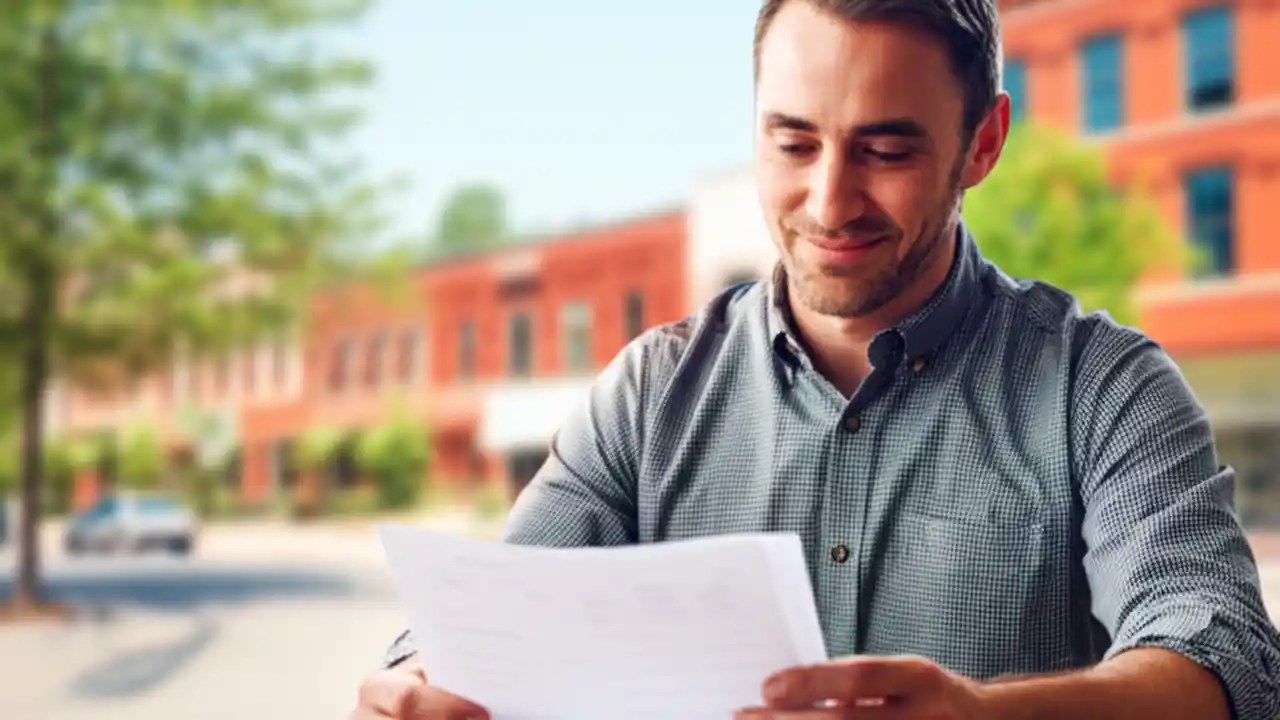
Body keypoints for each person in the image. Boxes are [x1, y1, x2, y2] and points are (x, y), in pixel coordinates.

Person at [351, 0, 1280, 718]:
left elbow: (1229, 664)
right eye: (793, 142)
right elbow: (495, 622)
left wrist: (983, 716)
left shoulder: (1102, 389)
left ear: (982, 144)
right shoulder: (646, 398)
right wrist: (420, 682)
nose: (830, 202)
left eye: (885, 149)